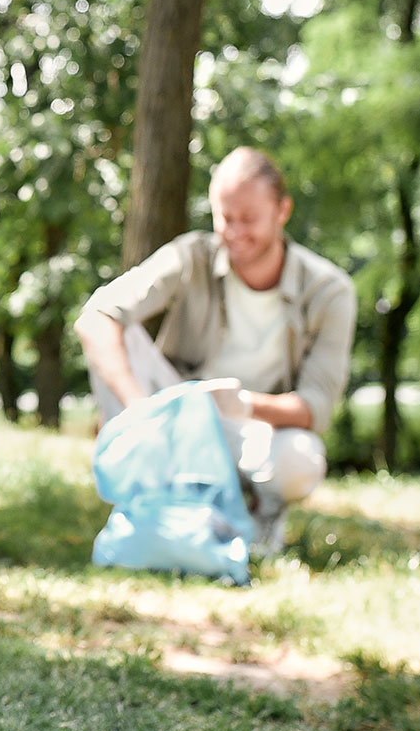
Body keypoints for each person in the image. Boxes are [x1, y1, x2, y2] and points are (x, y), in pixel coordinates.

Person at [75, 146, 356, 554]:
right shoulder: (191, 256)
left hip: (256, 429)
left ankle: (257, 516)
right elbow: (96, 316)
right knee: (117, 335)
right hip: (174, 419)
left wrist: (239, 403)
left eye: (250, 219)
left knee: (302, 459)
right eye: (225, 218)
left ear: (283, 211)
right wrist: (140, 410)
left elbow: (315, 407)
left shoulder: (328, 291)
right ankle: (155, 502)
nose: (235, 232)